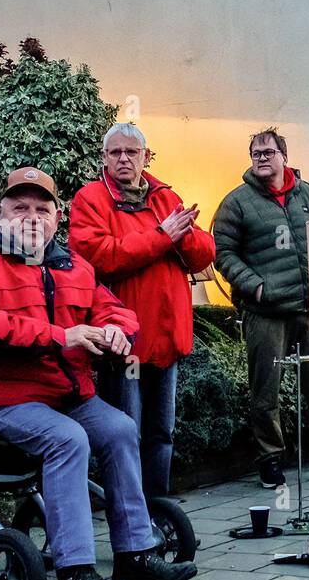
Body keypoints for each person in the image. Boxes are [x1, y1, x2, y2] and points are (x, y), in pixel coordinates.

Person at [0, 168, 198, 580]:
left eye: (42, 208)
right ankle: (76, 573)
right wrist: (61, 336)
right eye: (20, 208)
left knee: (119, 428)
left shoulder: (74, 266)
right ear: (0, 214)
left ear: (57, 218)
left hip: (64, 393)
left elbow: (116, 310)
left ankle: (135, 554)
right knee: (68, 439)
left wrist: (117, 333)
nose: (32, 217)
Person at [69, 123, 216, 498]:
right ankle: (130, 518)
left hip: (168, 338)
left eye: (131, 152)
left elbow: (203, 255)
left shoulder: (165, 196)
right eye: (115, 152)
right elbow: (98, 257)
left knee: (161, 434)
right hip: (124, 343)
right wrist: (162, 236)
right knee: (126, 433)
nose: (123, 159)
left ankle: (158, 513)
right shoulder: (90, 199)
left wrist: (185, 235)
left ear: (144, 157)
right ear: (103, 158)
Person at [212, 128, 309, 487]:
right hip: (265, 312)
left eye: (268, 152)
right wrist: (256, 288)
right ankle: (270, 458)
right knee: (265, 389)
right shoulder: (237, 202)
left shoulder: (306, 196)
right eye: (255, 153)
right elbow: (222, 253)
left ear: (283, 157)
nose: (261, 158)